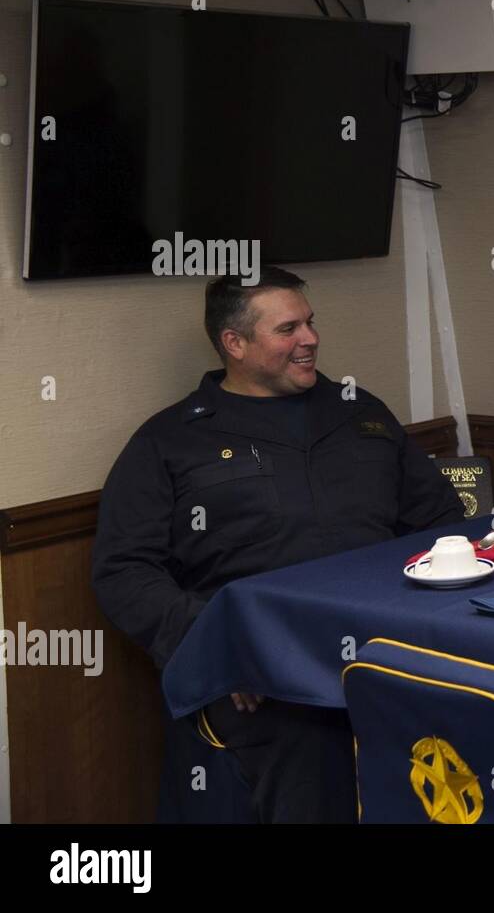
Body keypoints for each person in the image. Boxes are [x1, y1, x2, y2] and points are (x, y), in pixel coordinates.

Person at [92, 267, 465, 822]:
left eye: (310, 323)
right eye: (288, 329)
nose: (310, 339)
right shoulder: (170, 441)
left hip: (388, 649)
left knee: (485, 718)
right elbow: (124, 572)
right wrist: (222, 644)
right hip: (258, 667)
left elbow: (440, 522)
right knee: (314, 750)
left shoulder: (360, 412)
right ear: (234, 344)